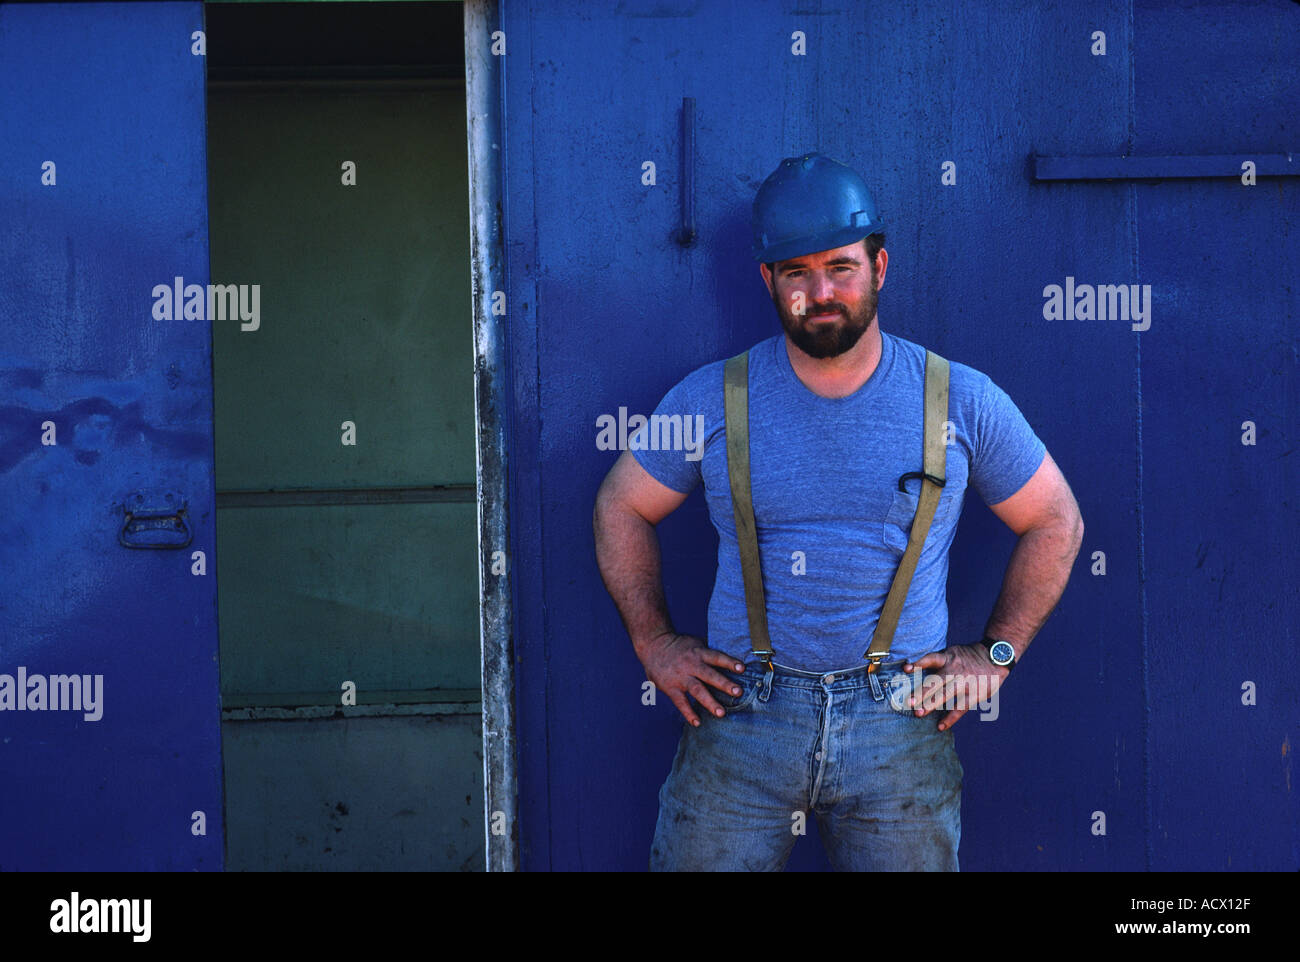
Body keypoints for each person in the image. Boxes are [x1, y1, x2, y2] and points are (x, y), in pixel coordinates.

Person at [593, 152, 1084, 871]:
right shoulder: (711, 398)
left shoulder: (959, 398)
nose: (820, 291)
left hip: (900, 721)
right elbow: (620, 506)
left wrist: (997, 656)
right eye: (796, 272)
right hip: (742, 719)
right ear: (768, 281)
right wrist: (653, 643)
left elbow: (1055, 520)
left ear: (879, 267)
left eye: (841, 266)